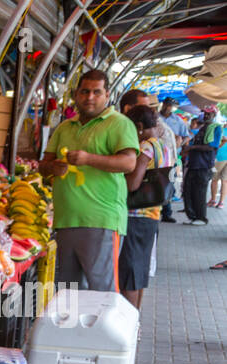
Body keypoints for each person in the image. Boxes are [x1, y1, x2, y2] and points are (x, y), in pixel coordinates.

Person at [39, 70, 139, 292]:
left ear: (107, 95)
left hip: (101, 221)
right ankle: (73, 329)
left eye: (97, 92)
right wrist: (53, 167)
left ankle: (105, 329)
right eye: (85, 91)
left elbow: (129, 163)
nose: (90, 97)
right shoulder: (65, 127)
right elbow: (43, 166)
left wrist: (88, 159)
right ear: (76, 94)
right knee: (69, 293)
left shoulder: (119, 124)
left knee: (101, 293)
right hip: (66, 221)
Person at [118, 106, 171, 309]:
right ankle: (135, 321)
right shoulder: (162, 146)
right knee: (139, 271)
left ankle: (129, 321)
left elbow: (133, 184)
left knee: (129, 272)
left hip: (135, 215)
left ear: (139, 127)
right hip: (152, 215)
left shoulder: (145, 148)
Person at [182, 111, 221, 224]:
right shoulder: (203, 128)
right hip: (194, 164)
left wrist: (191, 148)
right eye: (205, 114)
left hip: (204, 165)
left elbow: (211, 147)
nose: (207, 116)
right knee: (188, 191)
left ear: (214, 115)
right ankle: (193, 217)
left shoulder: (215, 128)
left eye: (210, 114)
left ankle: (201, 218)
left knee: (199, 192)